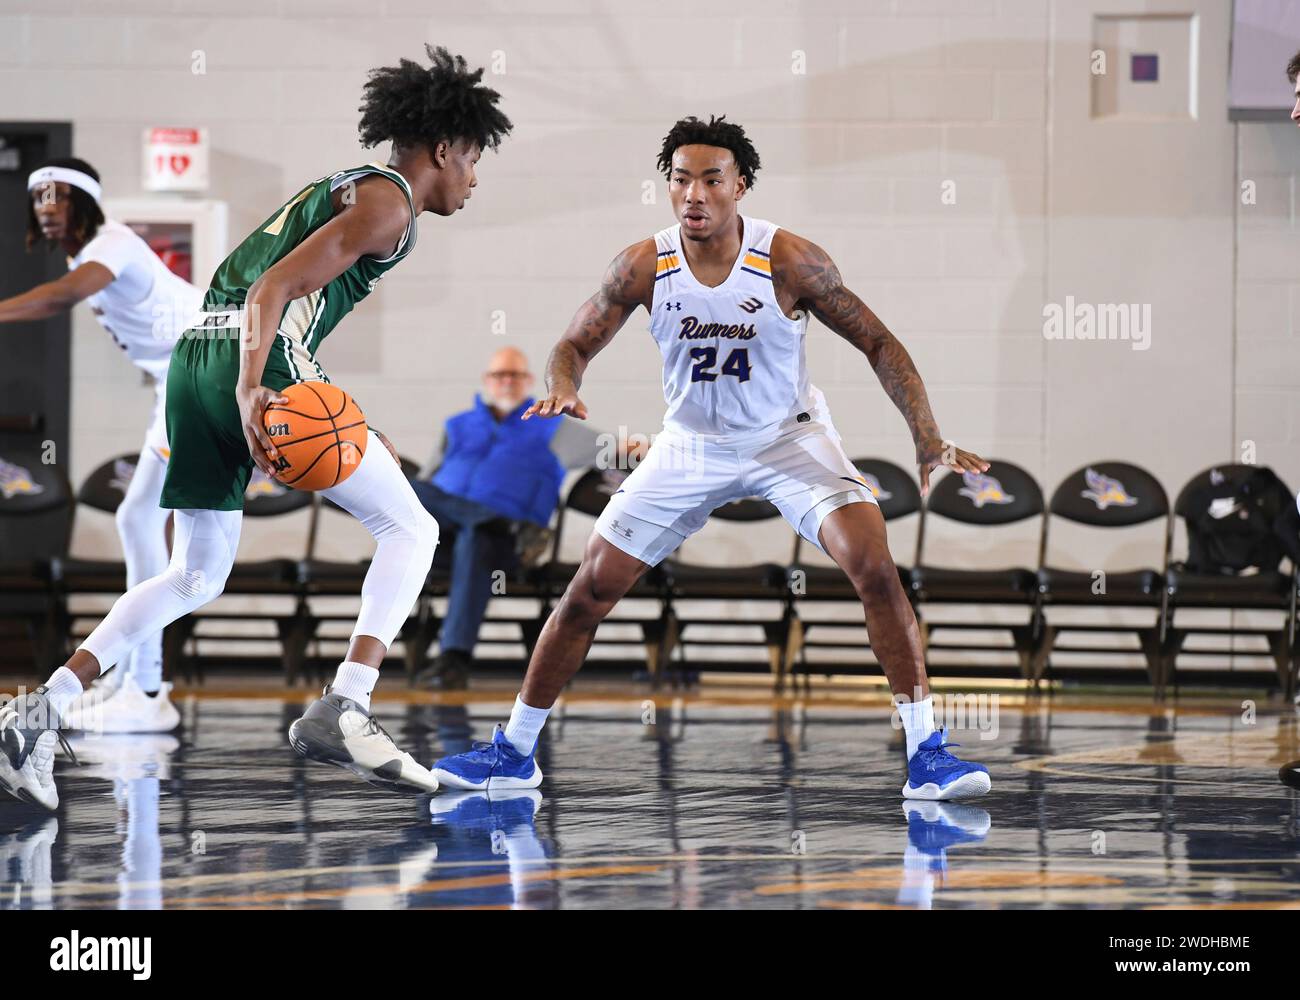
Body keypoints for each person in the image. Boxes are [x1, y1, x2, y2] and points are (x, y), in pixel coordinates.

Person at [0, 45, 512, 810]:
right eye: (473, 159)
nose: (475, 178)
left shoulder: (345, 184)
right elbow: (273, 289)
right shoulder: (391, 202)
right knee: (414, 529)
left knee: (196, 574)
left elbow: (260, 283)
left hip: (193, 360)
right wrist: (252, 390)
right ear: (443, 148)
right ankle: (348, 703)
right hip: (254, 358)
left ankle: (40, 712)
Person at [433, 115, 992, 801]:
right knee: (589, 590)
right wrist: (563, 387)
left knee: (875, 566)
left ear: (740, 186)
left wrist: (927, 437)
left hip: (788, 438)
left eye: (710, 180)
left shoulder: (789, 259)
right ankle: (514, 753)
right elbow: (571, 344)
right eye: (680, 180)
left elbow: (880, 342)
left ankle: (927, 754)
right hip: (691, 447)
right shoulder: (643, 263)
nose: (693, 193)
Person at [0, 157, 202, 732]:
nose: (45, 207)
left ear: (85, 201)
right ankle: (135, 682)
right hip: (177, 377)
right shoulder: (88, 252)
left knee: (151, 528)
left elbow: (57, 298)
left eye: (56, 196)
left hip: (200, 367)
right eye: (37, 197)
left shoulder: (111, 243)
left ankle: (144, 688)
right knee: (138, 522)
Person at [411, 345, 643, 689]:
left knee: (478, 541)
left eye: (514, 375)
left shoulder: (553, 427)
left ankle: (453, 660)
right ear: (486, 381)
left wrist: (660, 447)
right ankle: (484, 517)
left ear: (530, 381)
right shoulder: (457, 426)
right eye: (499, 375)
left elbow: (619, 447)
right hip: (441, 539)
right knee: (407, 486)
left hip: (510, 544)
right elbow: (426, 488)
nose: (506, 381)